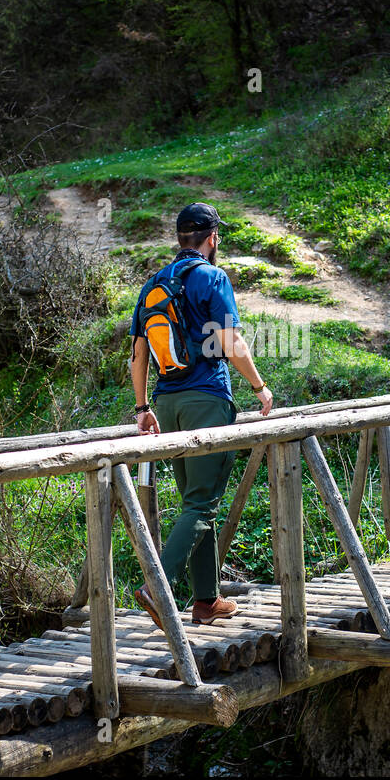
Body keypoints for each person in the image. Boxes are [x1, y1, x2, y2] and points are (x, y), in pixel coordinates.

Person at [129, 202, 274, 627]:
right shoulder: (212, 277)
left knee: (196, 502)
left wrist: (142, 409)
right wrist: (259, 388)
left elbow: (138, 356)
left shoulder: (154, 283)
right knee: (202, 504)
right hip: (207, 400)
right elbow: (231, 342)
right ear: (212, 238)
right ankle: (159, 586)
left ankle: (206, 601)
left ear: (180, 238)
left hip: (168, 405)